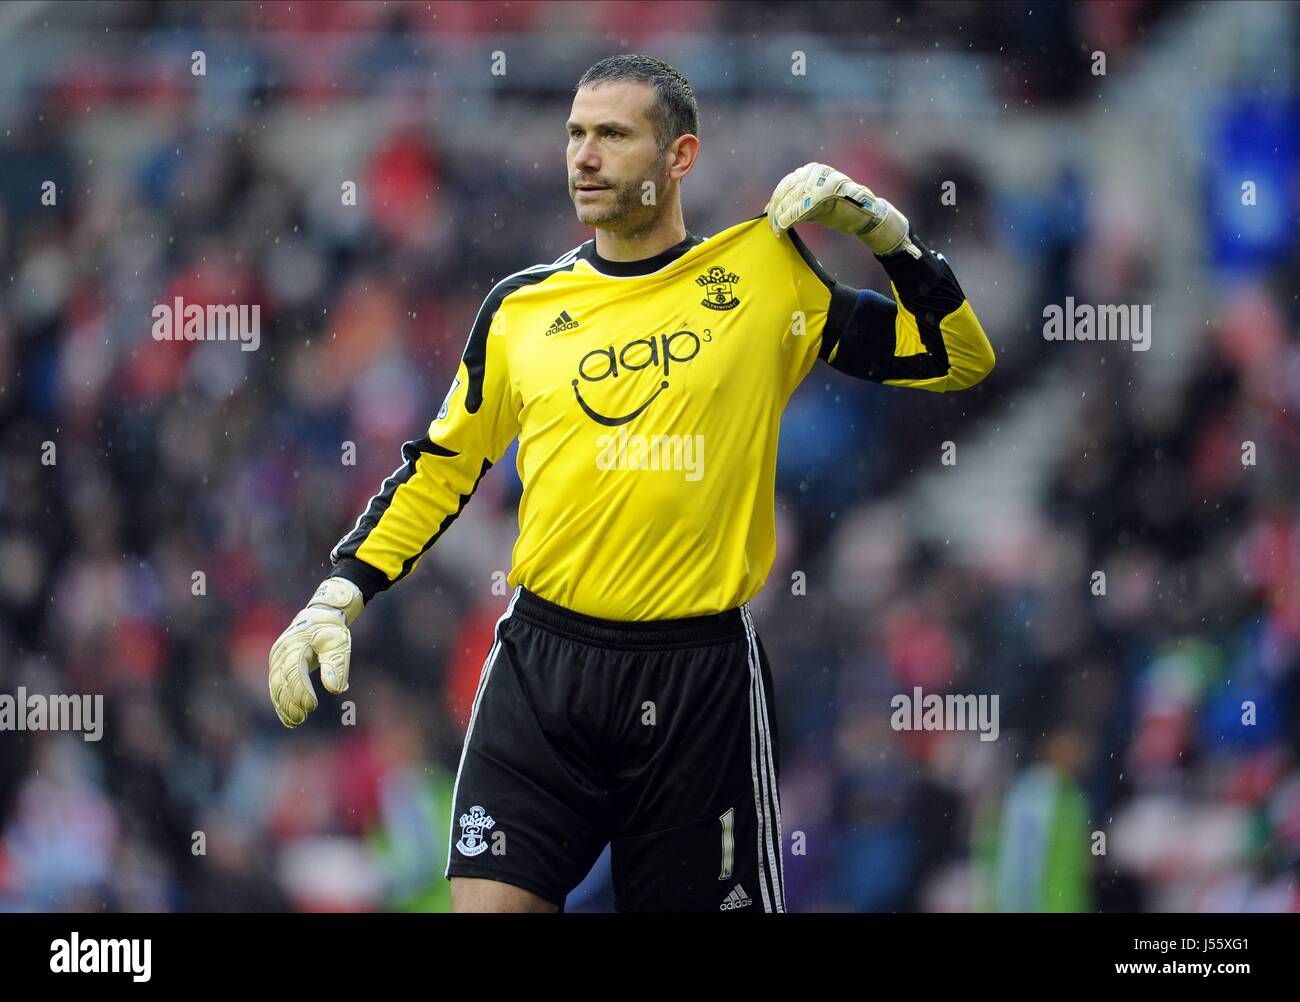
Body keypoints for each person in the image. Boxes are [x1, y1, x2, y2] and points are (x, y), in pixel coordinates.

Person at [268, 53, 996, 913]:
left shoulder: (765, 276)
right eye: (575, 133)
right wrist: (338, 593)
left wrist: (887, 238)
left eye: (612, 135)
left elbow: (956, 358)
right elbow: (441, 467)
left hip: (697, 679)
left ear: (679, 156)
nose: (584, 155)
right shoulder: (520, 308)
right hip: (544, 666)